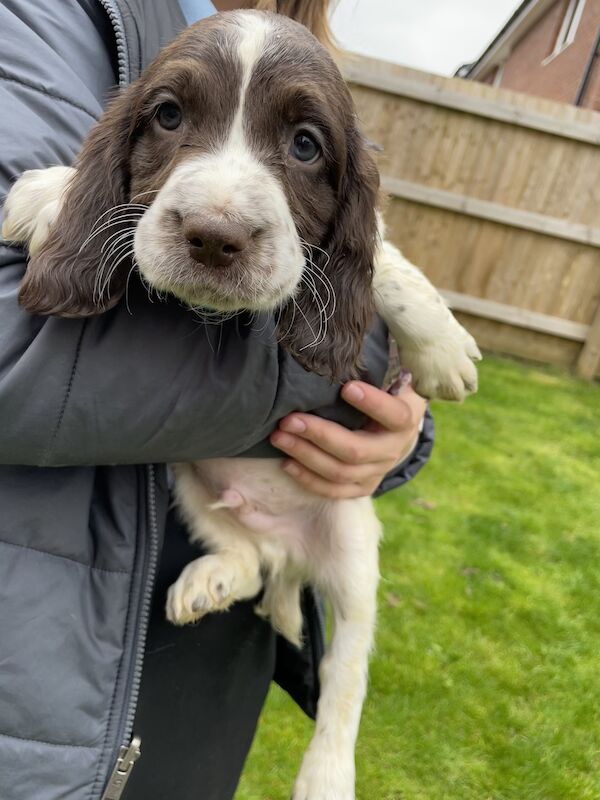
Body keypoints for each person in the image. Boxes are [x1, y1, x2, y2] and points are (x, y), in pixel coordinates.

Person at [0, 1, 433, 798]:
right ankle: (248, 564)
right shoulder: (46, 15)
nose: (219, 218)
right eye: (170, 116)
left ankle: (325, 727)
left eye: (303, 146)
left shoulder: (312, 72)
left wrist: (400, 434)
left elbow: (349, 302)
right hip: (50, 635)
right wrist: (78, 212)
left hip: (212, 675)